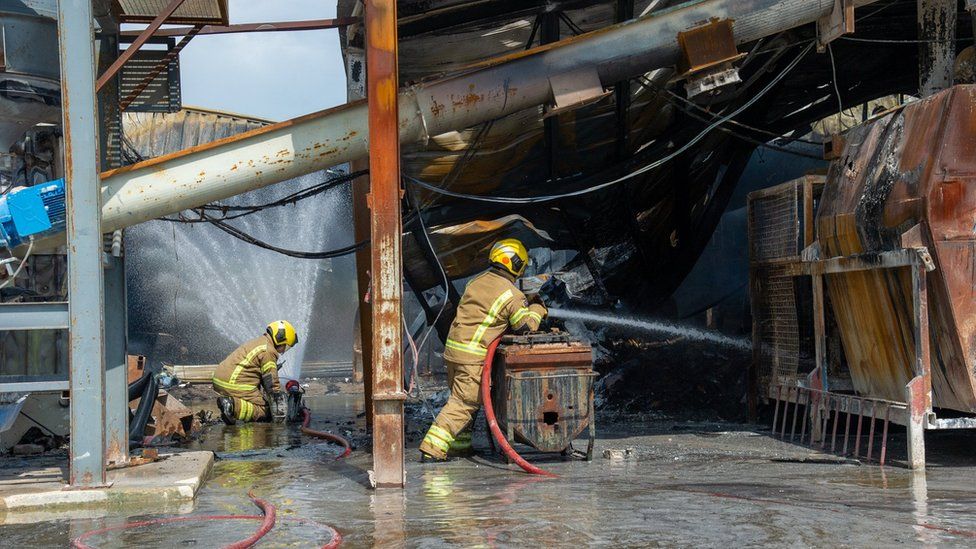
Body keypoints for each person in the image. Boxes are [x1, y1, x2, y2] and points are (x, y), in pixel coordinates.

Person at [420, 238, 547, 461]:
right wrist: (537, 307)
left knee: (466, 401)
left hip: (453, 352)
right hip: (472, 356)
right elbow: (525, 327)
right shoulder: (511, 295)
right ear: (515, 263)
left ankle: (460, 445)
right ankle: (432, 448)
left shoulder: (476, 282)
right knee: (464, 404)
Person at [212, 320, 297, 425]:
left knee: (262, 401)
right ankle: (232, 406)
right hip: (234, 383)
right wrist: (279, 403)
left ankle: (231, 405)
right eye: (285, 346)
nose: (283, 350)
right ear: (280, 338)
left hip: (220, 379)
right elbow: (272, 385)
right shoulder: (269, 351)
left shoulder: (260, 342)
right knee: (267, 410)